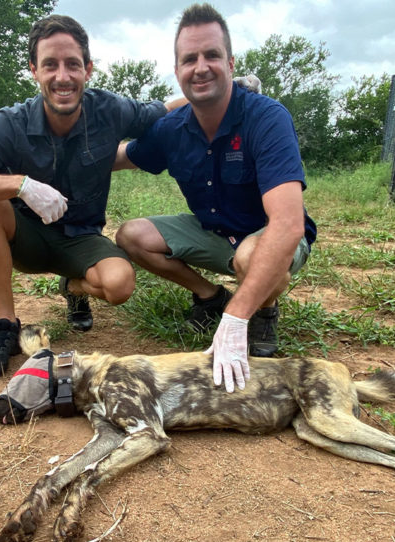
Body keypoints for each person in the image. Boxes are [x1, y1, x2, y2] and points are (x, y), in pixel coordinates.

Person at [0, 14, 182, 379]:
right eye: (50, 65)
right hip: (27, 237)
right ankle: (4, 325)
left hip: (82, 237)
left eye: (72, 65)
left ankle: (73, 287)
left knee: (119, 284)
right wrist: (20, 186)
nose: (62, 76)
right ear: (34, 70)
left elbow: (162, 112)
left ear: (88, 69)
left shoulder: (109, 110)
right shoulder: (9, 122)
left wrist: (227, 85)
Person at [114, 3, 317, 393]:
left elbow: (288, 225)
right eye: (189, 59)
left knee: (250, 256)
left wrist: (237, 318)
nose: (201, 67)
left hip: (267, 235)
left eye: (212, 55)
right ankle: (210, 297)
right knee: (131, 234)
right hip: (214, 230)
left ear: (231, 61)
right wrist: (60, 156)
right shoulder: (171, 128)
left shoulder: (267, 118)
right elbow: (121, 158)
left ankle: (263, 311)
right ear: (177, 71)